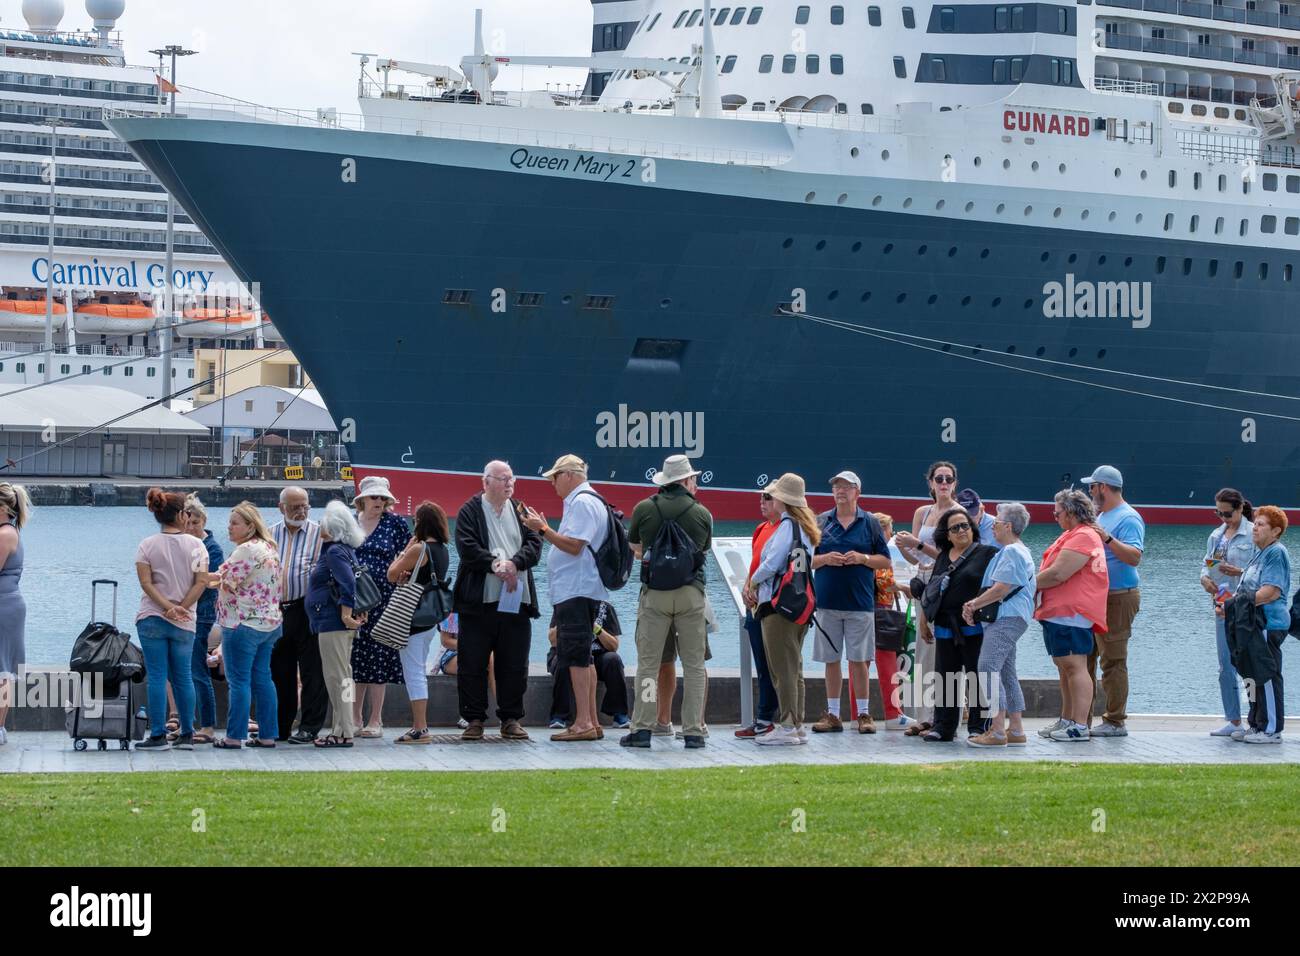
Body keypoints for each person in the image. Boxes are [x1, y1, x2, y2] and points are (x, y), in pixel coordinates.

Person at [620, 454, 714, 749]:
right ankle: (694, 730)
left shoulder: (645, 508)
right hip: (690, 592)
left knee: (648, 665)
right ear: (686, 481)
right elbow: (703, 550)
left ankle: (643, 727)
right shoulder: (702, 513)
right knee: (694, 665)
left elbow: (635, 546)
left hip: (655, 594)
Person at [521, 454, 610, 743]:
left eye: (554, 478)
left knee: (575, 655)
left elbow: (574, 546)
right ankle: (592, 721)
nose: (552, 484)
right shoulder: (586, 501)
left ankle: (582, 721)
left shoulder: (583, 502)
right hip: (580, 589)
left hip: (577, 589)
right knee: (584, 656)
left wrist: (543, 530)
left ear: (569, 475)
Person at [453, 461, 542, 741]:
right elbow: (466, 547)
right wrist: (495, 565)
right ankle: (474, 719)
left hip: (516, 602)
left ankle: (511, 718)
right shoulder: (469, 510)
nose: (509, 484)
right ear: (486, 482)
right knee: (472, 662)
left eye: (511, 479)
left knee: (514, 663)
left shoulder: (521, 511)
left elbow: (535, 543)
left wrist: (514, 564)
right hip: (479, 602)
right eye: (502, 479)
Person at [810, 471, 892, 735]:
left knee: (859, 660)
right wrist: (824, 560)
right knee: (830, 660)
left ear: (858, 492)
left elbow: (885, 560)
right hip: (827, 603)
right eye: (836, 487)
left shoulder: (870, 523)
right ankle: (833, 714)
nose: (840, 491)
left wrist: (862, 558)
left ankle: (864, 714)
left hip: (860, 603)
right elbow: (803, 560)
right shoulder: (821, 522)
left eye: (846, 487)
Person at [744, 473, 821, 746]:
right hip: (800, 604)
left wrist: (753, 581)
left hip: (778, 606)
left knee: (782, 669)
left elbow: (772, 563)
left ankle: (787, 725)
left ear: (782, 500)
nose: (769, 499)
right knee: (794, 666)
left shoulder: (786, 528)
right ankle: (796, 722)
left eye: (773, 495)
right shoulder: (805, 528)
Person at [134, 489, 208, 751]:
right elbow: (201, 582)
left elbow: (146, 583)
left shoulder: (147, 545)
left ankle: (157, 733)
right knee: (183, 676)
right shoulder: (197, 545)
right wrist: (182, 608)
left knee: (156, 676)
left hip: (152, 616)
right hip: (185, 620)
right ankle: (187, 732)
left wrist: (166, 607)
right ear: (180, 515)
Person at [1034, 489, 1109, 742]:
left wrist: (1024, 584)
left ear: (1071, 512)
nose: (1055, 516)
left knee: (1075, 666)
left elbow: (1058, 573)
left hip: (1072, 612)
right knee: (1064, 667)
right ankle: (1067, 719)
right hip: (1058, 612)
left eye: (1058, 512)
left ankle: (1079, 724)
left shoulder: (1083, 537)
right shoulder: (1072, 534)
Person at [920, 507, 998, 742]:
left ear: (972, 529)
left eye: (965, 525)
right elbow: (932, 590)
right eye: (955, 528)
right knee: (946, 677)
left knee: (977, 676)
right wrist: (924, 620)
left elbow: (999, 585)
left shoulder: (988, 554)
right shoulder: (944, 556)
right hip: (945, 624)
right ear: (947, 534)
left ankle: (978, 726)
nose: (962, 530)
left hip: (974, 626)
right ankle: (943, 726)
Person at [893, 460, 959, 734]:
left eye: (948, 479)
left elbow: (954, 557)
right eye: (939, 478)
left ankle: (938, 716)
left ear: (955, 483)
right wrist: (903, 545)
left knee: (938, 651)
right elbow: (915, 557)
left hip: (944, 585)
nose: (943, 483)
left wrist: (917, 544)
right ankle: (923, 715)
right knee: (922, 650)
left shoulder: (958, 514)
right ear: (930, 482)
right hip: (922, 581)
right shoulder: (923, 511)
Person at [962, 503, 1035, 747]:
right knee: (1006, 671)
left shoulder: (1012, 552)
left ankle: (997, 729)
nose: (992, 526)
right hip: (1015, 617)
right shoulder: (1021, 550)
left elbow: (1002, 588)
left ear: (1008, 526)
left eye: (996, 523)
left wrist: (973, 604)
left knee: (987, 666)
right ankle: (1015, 728)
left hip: (1006, 617)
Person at [212, 503, 284, 749]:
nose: (229, 527)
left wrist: (196, 574)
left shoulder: (245, 550)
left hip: (242, 622)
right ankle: (267, 734)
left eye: (235, 523)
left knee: (238, 681)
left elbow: (225, 581)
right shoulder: (269, 548)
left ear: (250, 526)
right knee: (263, 679)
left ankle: (234, 736)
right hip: (270, 622)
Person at [1081, 465, 1145, 737]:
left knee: (1113, 661)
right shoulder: (1103, 514)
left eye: (1092, 487)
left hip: (1118, 597)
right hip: (1096, 596)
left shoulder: (1128, 518)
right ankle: (1079, 720)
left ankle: (1115, 721)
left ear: (1103, 487)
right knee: (1086, 658)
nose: (1090, 492)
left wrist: (1106, 537)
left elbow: (1134, 556)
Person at [350, 476, 411, 738]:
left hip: (383, 602)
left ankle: (376, 719)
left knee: (378, 661)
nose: (379, 501)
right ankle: (352, 716)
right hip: (350, 603)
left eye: (382, 497)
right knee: (350, 664)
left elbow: (410, 552)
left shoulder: (395, 523)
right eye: (374, 497)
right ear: (362, 499)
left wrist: (401, 573)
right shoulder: (349, 523)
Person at [387, 500, 451, 744]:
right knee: (418, 669)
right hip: (428, 619)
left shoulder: (419, 549)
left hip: (411, 617)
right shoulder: (443, 550)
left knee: (413, 672)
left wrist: (405, 550)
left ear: (421, 523)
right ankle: (420, 727)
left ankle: (420, 728)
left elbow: (391, 574)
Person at [307, 500, 369, 748]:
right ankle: (345, 726)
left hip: (333, 623)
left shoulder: (333, 552)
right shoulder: (345, 549)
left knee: (336, 677)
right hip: (336, 624)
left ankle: (343, 730)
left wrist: (345, 614)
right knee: (345, 676)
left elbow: (348, 584)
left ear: (331, 528)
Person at [1228, 506, 1290, 743]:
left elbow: (1271, 592)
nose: (1255, 527)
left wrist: (1238, 603)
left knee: (1267, 674)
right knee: (1251, 675)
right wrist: (1230, 606)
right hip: (1251, 623)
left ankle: (1272, 729)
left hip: (1269, 624)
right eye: (1255, 522)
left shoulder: (1276, 553)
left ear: (1275, 531)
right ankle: (1255, 723)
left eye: (1261, 524)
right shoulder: (1259, 553)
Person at [270, 486, 327, 745]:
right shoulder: (269, 534)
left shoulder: (320, 534)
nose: (301, 511)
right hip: (277, 609)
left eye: (305, 506)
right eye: (295, 507)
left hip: (308, 609)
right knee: (280, 671)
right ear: (282, 507)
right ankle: (281, 727)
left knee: (312, 670)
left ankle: (310, 727)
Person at [1199, 489, 1256, 737]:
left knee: (1250, 666)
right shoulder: (1216, 535)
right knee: (1225, 666)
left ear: (1240, 508)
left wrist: (1240, 572)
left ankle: (1256, 718)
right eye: (1218, 513)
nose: (1223, 518)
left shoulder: (1254, 534)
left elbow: (1261, 572)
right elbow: (1207, 563)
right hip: (1221, 607)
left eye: (1227, 513)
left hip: (1245, 608)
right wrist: (1204, 579)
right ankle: (1233, 720)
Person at [736, 490, 781, 738]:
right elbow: (754, 565)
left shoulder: (785, 530)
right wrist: (746, 587)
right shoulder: (761, 528)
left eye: (768, 498)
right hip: (755, 605)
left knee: (777, 665)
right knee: (762, 664)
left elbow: (774, 567)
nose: (762, 502)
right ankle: (764, 718)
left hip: (773, 605)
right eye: (762, 498)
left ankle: (772, 717)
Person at [546, 601, 629, 729]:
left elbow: (614, 646)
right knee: (562, 663)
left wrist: (596, 628)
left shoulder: (606, 608)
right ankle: (559, 716)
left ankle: (619, 714)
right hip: (568, 651)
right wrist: (569, 620)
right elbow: (552, 640)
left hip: (598, 655)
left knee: (614, 660)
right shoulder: (565, 603)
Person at [182, 495, 223, 745]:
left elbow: (211, 581)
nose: (191, 528)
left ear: (203, 520)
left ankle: (208, 725)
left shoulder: (213, 548)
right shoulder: (185, 545)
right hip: (188, 613)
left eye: (195, 522)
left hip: (203, 614)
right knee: (185, 670)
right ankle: (188, 723)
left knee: (198, 670)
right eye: (187, 523)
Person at [871, 513, 917, 731]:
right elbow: (883, 581)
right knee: (887, 662)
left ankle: (857, 714)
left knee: (859, 664)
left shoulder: (866, 550)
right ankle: (893, 714)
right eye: (890, 529)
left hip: (865, 610)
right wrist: (903, 588)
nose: (891, 533)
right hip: (881, 612)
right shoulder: (879, 552)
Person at [0, 482, 30, 748]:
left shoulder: (5, 534)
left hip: (4, 606)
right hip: (7, 604)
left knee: (3, 669)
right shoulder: (8, 531)